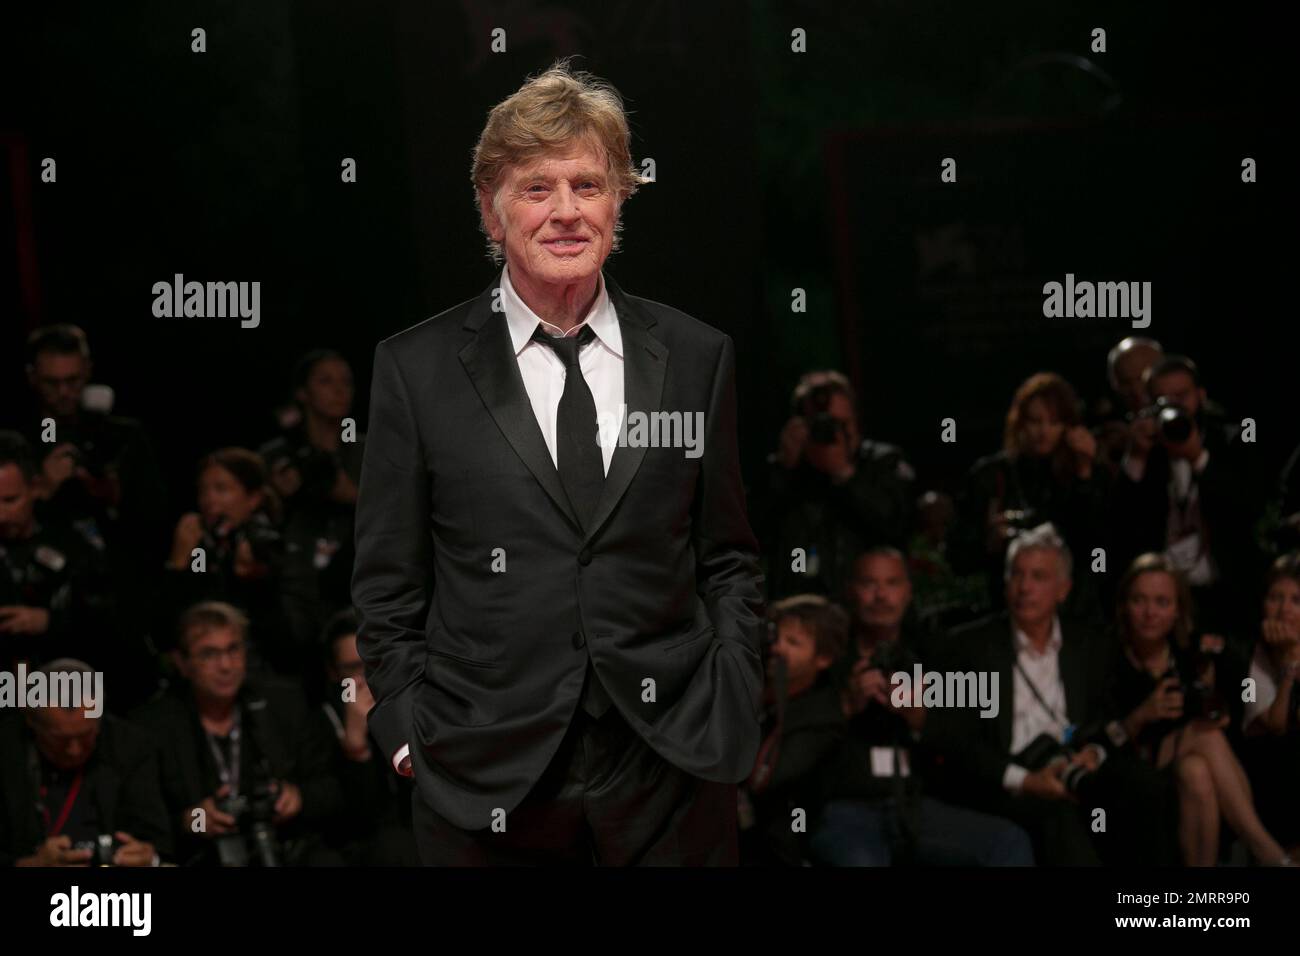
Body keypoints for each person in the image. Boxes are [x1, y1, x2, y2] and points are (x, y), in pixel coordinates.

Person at [353, 59, 766, 866]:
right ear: (491, 210)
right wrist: (408, 734)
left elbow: (729, 558)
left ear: (620, 202)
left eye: (589, 184)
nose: (567, 211)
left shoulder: (694, 356)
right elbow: (387, 583)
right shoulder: (416, 369)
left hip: (670, 769)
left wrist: (735, 700)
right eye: (538, 188)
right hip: (483, 777)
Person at [939, 524, 1172, 865]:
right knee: (1060, 818)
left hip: (1073, 762)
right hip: (1011, 779)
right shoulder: (972, 648)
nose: (1025, 588)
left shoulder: (1088, 644)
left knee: (1149, 788)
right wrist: (1028, 781)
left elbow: (1103, 717)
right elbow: (959, 742)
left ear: (1063, 589)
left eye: (1038, 577)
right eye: (1016, 576)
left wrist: (1094, 751)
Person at [786, 552, 1033, 866]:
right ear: (850, 590)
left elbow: (966, 736)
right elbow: (793, 730)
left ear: (908, 591)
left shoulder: (934, 652)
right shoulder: (826, 655)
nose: (881, 595)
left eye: (891, 583)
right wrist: (846, 703)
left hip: (919, 803)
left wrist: (918, 716)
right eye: (869, 583)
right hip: (844, 806)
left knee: (1007, 842)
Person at [131, 601, 344, 866]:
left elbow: (332, 789)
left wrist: (299, 798)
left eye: (233, 649)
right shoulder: (155, 726)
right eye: (209, 654)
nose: (226, 665)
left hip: (285, 847)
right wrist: (192, 822)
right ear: (182, 663)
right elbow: (143, 822)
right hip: (203, 857)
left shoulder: (283, 704)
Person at [1111, 553, 1291, 865]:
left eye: (1162, 602)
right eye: (1139, 600)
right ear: (1125, 604)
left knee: (1196, 771)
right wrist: (1142, 715)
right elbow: (1101, 734)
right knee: (1204, 737)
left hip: (1182, 760)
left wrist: (1218, 708)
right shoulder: (1107, 658)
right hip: (1129, 766)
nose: (1150, 613)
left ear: (1178, 609)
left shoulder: (1190, 653)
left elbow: (1232, 703)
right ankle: (1270, 855)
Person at [1111, 355, 1260, 638]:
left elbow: (1245, 510)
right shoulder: (1144, 451)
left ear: (1201, 396)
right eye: (1161, 400)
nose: (1173, 407)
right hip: (1163, 602)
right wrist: (1137, 457)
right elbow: (1118, 526)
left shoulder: (1233, 441)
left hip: (1228, 596)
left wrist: (1198, 458)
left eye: (1181, 396)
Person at [951, 372, 1108, 624]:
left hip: (1076, 612)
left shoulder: (1087, 474)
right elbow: (958, 557)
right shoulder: (990, 476)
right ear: (1019, 422)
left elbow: (1098, 547)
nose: (1043, 431)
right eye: (1035, 421)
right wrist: (988, 542)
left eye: (1054, 422)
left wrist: (1084, 474)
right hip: (1006, 610)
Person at [760, 370, 915, 600]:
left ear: (856, 420)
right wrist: (783, 468)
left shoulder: (883, 462)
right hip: (801, 608)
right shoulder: (784, 471)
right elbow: (752, 535)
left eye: (841, 423)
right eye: (820, 423)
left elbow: (896, 526)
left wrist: (844, 474)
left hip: (866, 609)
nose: (832, 432)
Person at [1, 659, 170, 867]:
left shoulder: (131, 746)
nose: (75, 750)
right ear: (31, 722)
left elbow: (158, 838)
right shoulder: (7, 751)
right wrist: (27, 865)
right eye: (60, 740)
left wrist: (148, 857)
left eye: (86, 736)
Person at [161, 448, 311, 677]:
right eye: (203, 491)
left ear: (253, 499)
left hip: (270, 679)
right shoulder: (199, 555)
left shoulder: (278, 551)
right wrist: (178, 564)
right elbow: (166, 635)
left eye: (221, 489)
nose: (209, 500)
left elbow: (295, 641)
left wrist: (257, 583)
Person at [259, 349, 365, 641]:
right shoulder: (275, 457)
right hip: (292, 585)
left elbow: (402, 516)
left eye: (346, 382)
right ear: (302, 393)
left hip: (354, 584)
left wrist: (352, 496)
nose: (339, 390)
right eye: (325, 381)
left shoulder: (371, 452)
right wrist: (277, 497)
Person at [318, 608, 417, 865]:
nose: (367, 680)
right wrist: (356, 748)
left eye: (373, 664)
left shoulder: (411, 702)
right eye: (353, 668)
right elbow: (355, 822)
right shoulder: (320, 721)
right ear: (332, 672)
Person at [1241, 554, 1300, 853]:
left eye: (1295, 600)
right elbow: (1274, 723)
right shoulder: (1250, 660)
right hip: (1271, 763)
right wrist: (1289, 666)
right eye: (1276, 598)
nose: (1284, 610)